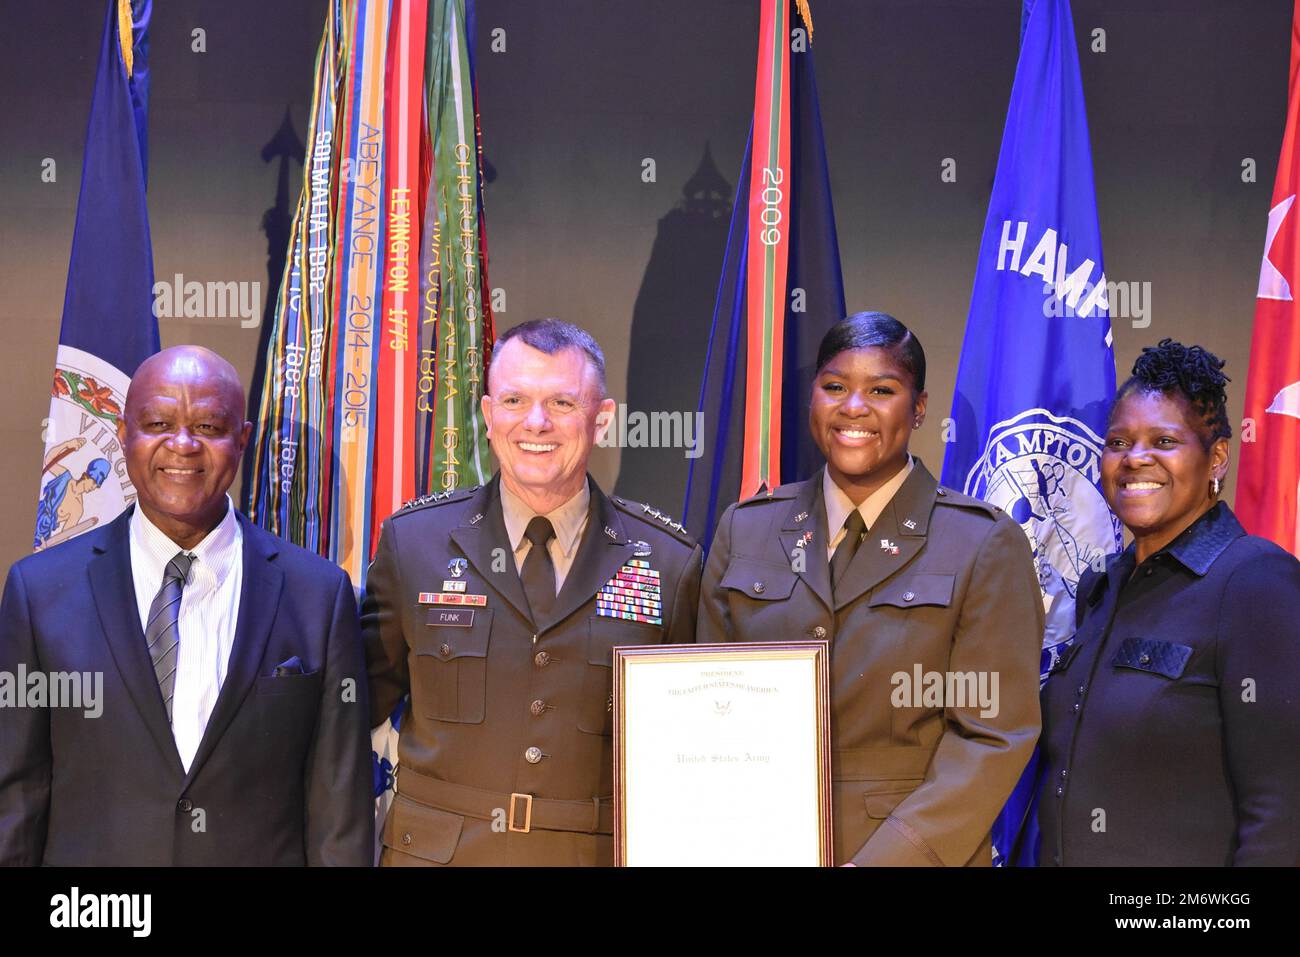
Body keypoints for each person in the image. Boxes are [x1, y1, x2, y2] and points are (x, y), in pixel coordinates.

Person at [0, 346, 373, 866]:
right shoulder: (39, 591)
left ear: (241, 441)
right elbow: (16, 798)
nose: (182, 446)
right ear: (125, 434)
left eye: (208, 427)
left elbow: (340, 809)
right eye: (157, 423)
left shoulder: (319, 595)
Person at [697, 311, 1043, 866]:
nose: (853, 408)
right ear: (811, 397)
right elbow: (705, 709)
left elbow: (992, 735)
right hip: (759, 845)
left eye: (881, 390)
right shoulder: (747, 528)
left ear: (920, 407)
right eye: (834, 386)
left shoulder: (981, 542)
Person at [364, 318, 702, 866]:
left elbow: (694, 744)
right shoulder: (414, 543)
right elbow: (350, 711)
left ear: (602, 419)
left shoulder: (667, 561)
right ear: (488, 414)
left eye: (563, 403)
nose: (536, 423)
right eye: (515, 399)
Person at [1037, 339, 1300, 866]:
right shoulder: (1104, 589)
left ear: (1217, 457)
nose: (1135, 459)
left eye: (1163, 440)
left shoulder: (1255, 582)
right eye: (1118, 442)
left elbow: (1283, 806)